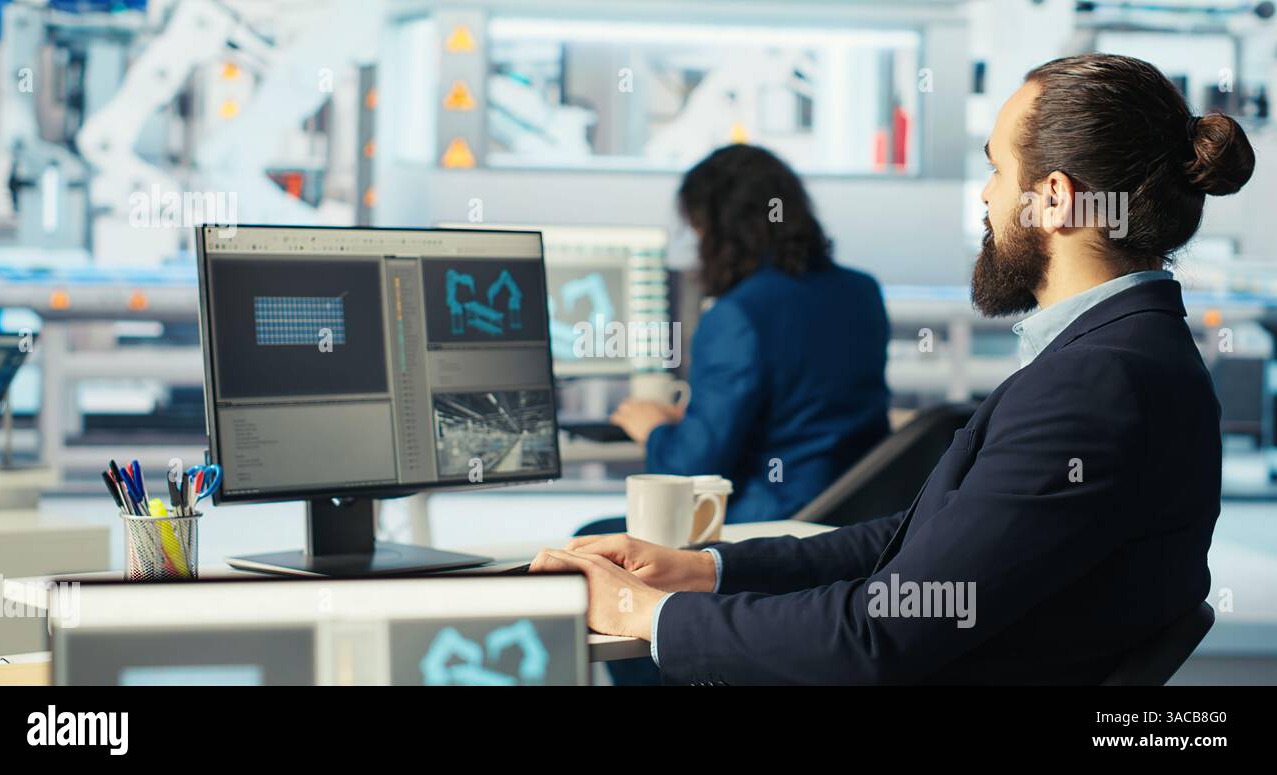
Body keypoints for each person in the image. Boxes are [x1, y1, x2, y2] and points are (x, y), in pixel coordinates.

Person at [532, 53, 1255, 684]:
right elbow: (911, 544)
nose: (985, 195)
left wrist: (647, 613)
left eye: (998, 169)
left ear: (1056, 200)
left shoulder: (1094, 386)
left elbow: (877, 635)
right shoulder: (1128, 355)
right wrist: (707, 569)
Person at [605, 144, 891, 526]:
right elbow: (806, 412)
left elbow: (691, 468)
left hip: (774, 521)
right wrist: (696, 421)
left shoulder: (737, 315)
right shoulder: (861, 291)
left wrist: (653, 428)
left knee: (592, 537)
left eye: (698, 229)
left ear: (719, 232)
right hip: (860, 519)